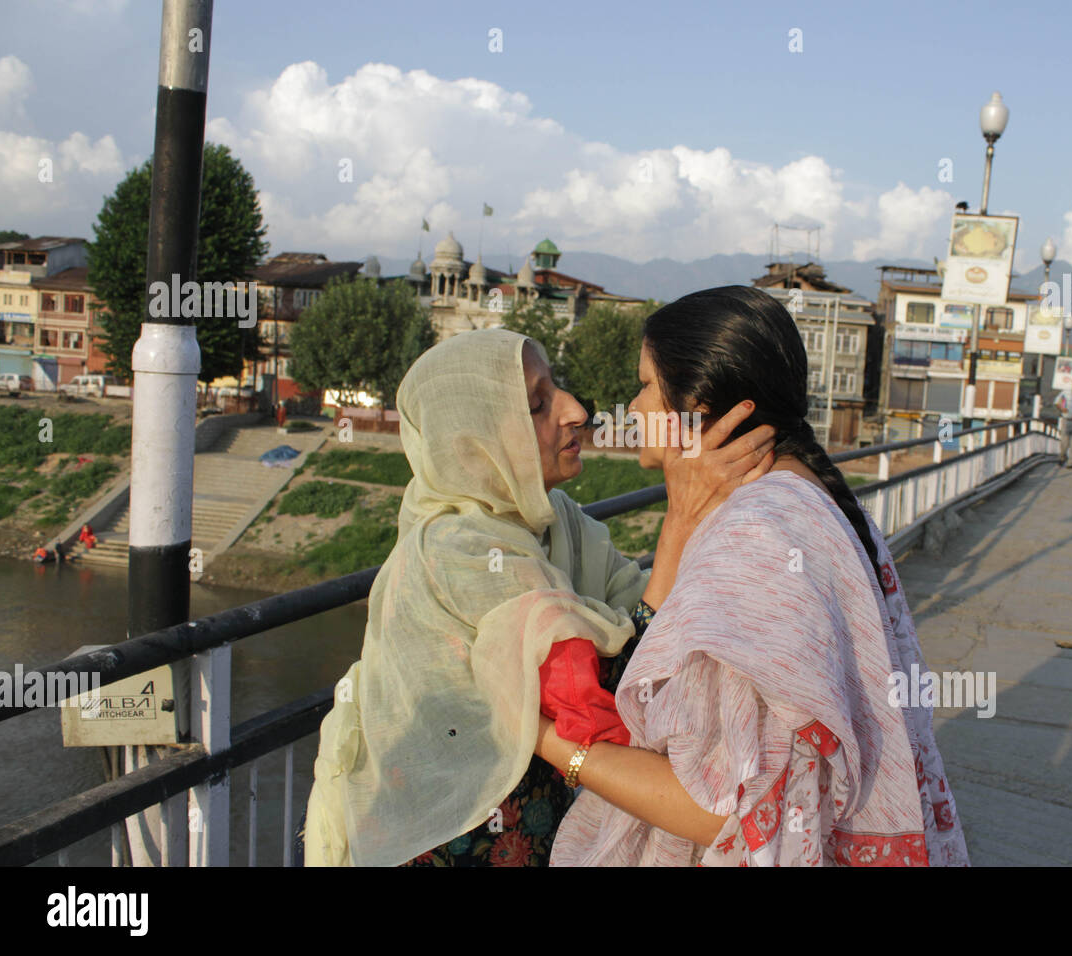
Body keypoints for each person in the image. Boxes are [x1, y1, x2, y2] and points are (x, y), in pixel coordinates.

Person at [301, 328, 774, 866]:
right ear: (476, 441)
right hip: (456, 838)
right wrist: (679, 523)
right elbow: (611, 699)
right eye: (537, 404)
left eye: (559, 389)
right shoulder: (458, 550)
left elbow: (643, 609)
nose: (575, 411)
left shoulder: (554, 523)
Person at [543, 286, 969, 867]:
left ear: (695, 403)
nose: (633, 408)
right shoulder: (821, 502)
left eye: (646, 384)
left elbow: (720, 808)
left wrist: (552, 742)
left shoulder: (753, 533)